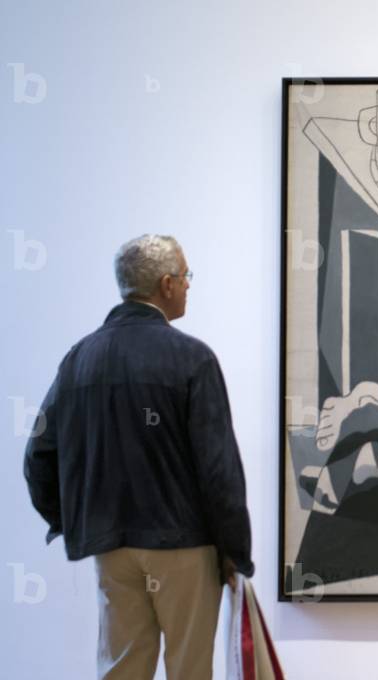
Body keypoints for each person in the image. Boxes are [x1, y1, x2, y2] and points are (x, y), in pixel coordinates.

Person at [22, 234, 254, 680]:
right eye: (186, 276)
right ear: (166, 284)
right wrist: (235, 552)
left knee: (122, 668)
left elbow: (38, 456)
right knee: (189, 670)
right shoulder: (192, 358)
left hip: (111, 545)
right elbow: (218, 468)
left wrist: (74, 521)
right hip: (183, 546)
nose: (189, 285)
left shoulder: (78, 360)